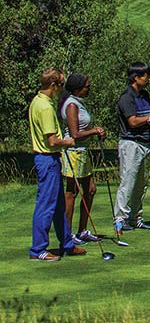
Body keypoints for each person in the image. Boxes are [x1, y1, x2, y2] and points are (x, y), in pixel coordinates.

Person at [28, 67, 87, 261]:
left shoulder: (39, 100)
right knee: (46, 205)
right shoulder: (45, 107)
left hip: (49, 159)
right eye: (61, 85)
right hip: (47, 158)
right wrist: (68, 141)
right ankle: (38, 250)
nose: (63, 89)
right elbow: (52, 141)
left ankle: (67, 244)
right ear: (53, 85)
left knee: (59, 205)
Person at [114, 61, 150, 235]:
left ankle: (135, 218)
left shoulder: (144, 95)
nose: (148, 79)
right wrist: (149, 118)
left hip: (145, 142)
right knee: (128, 181)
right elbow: (132, 121)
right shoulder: (127, 97)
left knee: (142, 183)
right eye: (145, 76)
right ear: (136, 77)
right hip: (131, 143)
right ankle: (120, 219)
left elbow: (146, 116)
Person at [60, 73, 105, 245]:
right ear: (78, 88)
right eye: (87, 86)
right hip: (74, 152)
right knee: (71, 192)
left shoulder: (79, 103)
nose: (89, 89)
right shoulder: (72, 105)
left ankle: (82, 231)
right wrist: (94, 131)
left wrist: (95, 131)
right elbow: (75, 134)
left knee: (91, 190)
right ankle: (68, 233)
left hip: (83, 152)